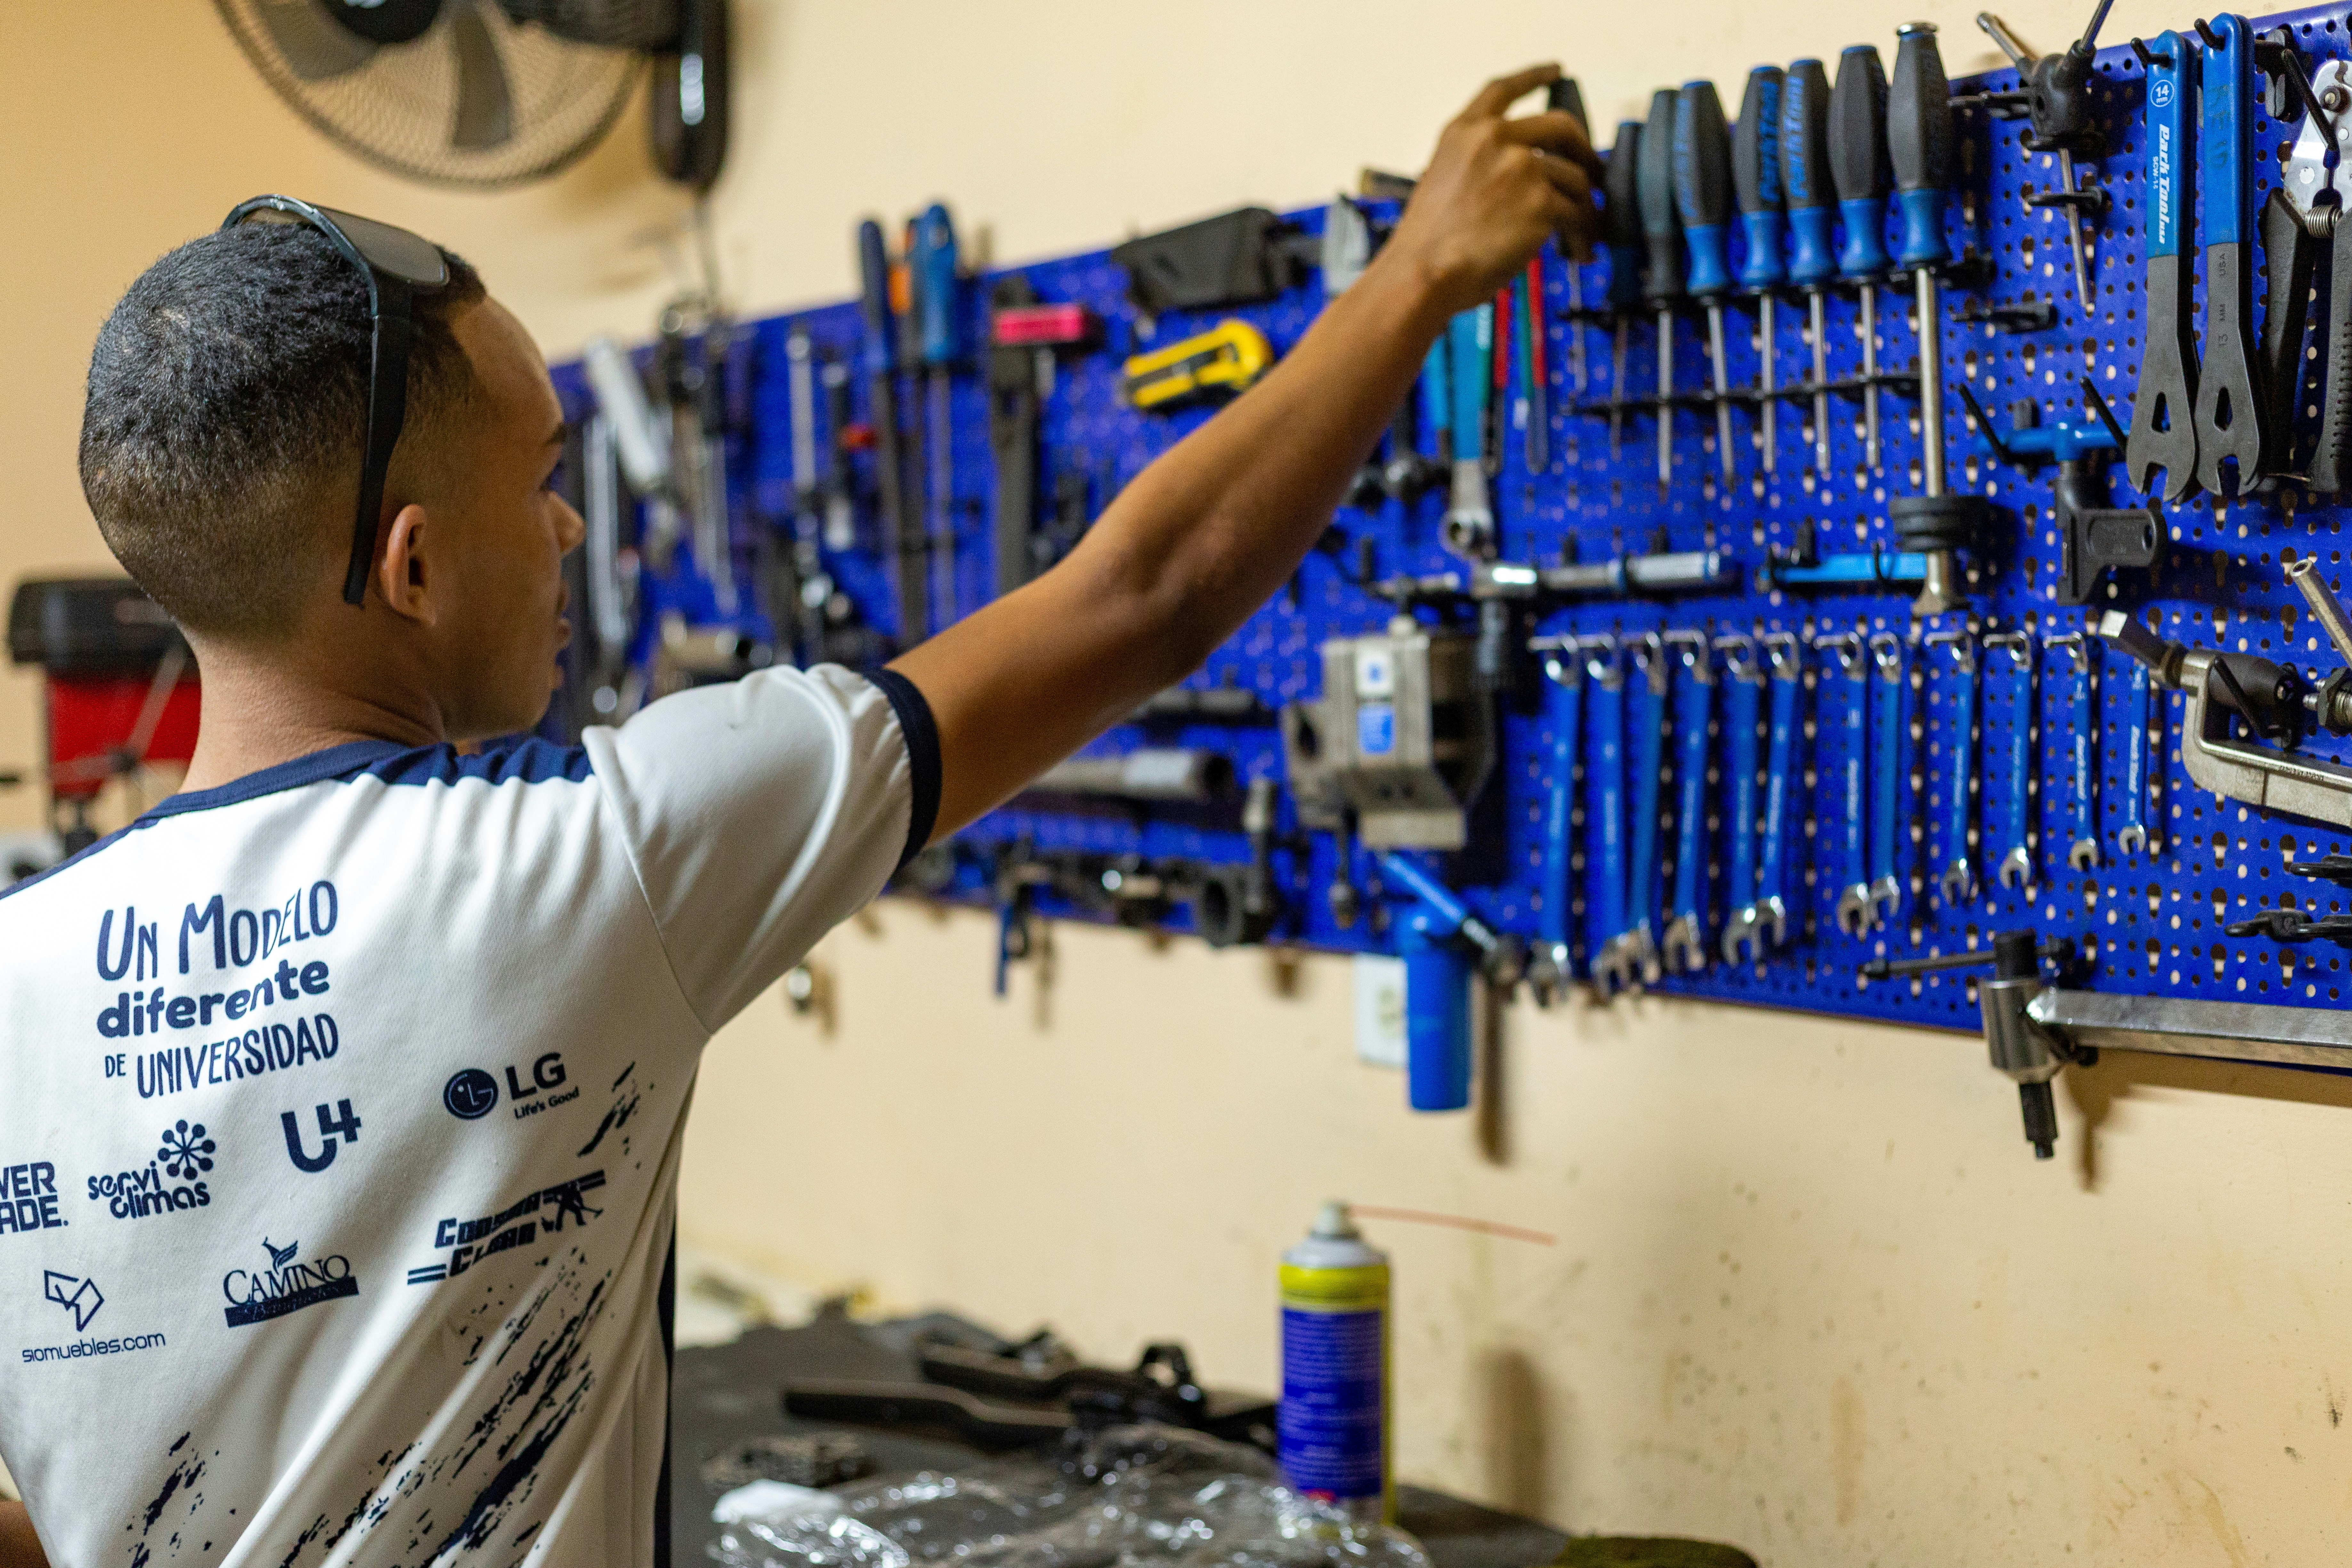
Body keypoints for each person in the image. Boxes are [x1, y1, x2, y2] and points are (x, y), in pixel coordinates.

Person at [0, 66, 1596, 1568]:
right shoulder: (591, 858)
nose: (567, 524)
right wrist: (1412, 282)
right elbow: (1147, 602)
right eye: (542, 476)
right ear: (409, 567)